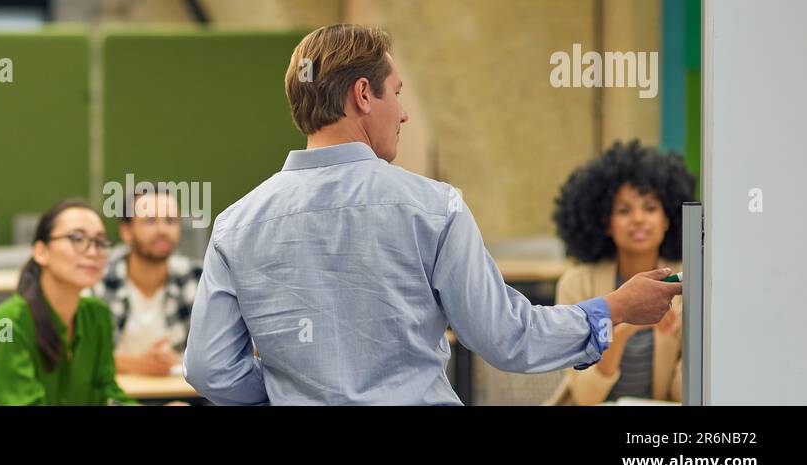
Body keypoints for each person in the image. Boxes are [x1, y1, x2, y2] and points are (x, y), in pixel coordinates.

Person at [183, 24, 682, 405]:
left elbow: (210, 370)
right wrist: (614, 309)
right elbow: (508, 339)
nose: (402, 113)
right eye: (396, 93)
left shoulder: (234, 225)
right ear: (363, 94)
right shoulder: (434, 208)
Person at [546, 141, 695, 405]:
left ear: (668, 219)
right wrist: (625, 326)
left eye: (650, 208)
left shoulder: (687, 282)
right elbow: (585, 396)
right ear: (605, 223)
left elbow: (686, 396)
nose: (638, 218)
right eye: (624, 210)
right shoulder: (577, 284)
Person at [0, 199, 135, 405]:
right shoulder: (7, 322)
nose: (92, 252)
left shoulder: (98, 315)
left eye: (100, 242)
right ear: (41, 251)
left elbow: (107, 393)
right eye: (77, 238)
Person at [92, 191, 202, 376]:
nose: (162, 230)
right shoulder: (98, 278)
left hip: (183, 392)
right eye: (150, 221)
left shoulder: (196, 278)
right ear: (126, 232)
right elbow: (78, 355)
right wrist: (136, 364)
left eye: (170, 221)